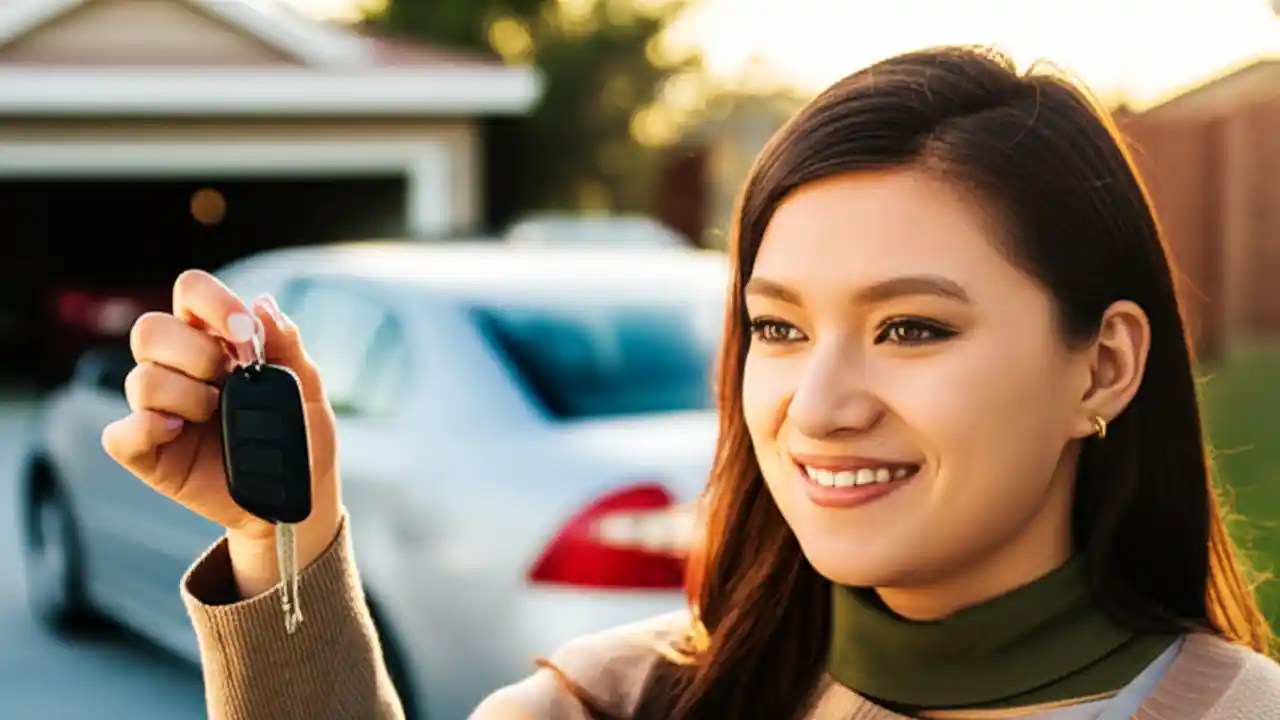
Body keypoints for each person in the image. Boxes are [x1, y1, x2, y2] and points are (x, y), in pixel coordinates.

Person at [102, 45, 1280, 719]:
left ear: (1104, 365)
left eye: (911, 329)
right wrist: (282, 547)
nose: (816, 407)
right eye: (776, 328)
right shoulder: (618, 705)